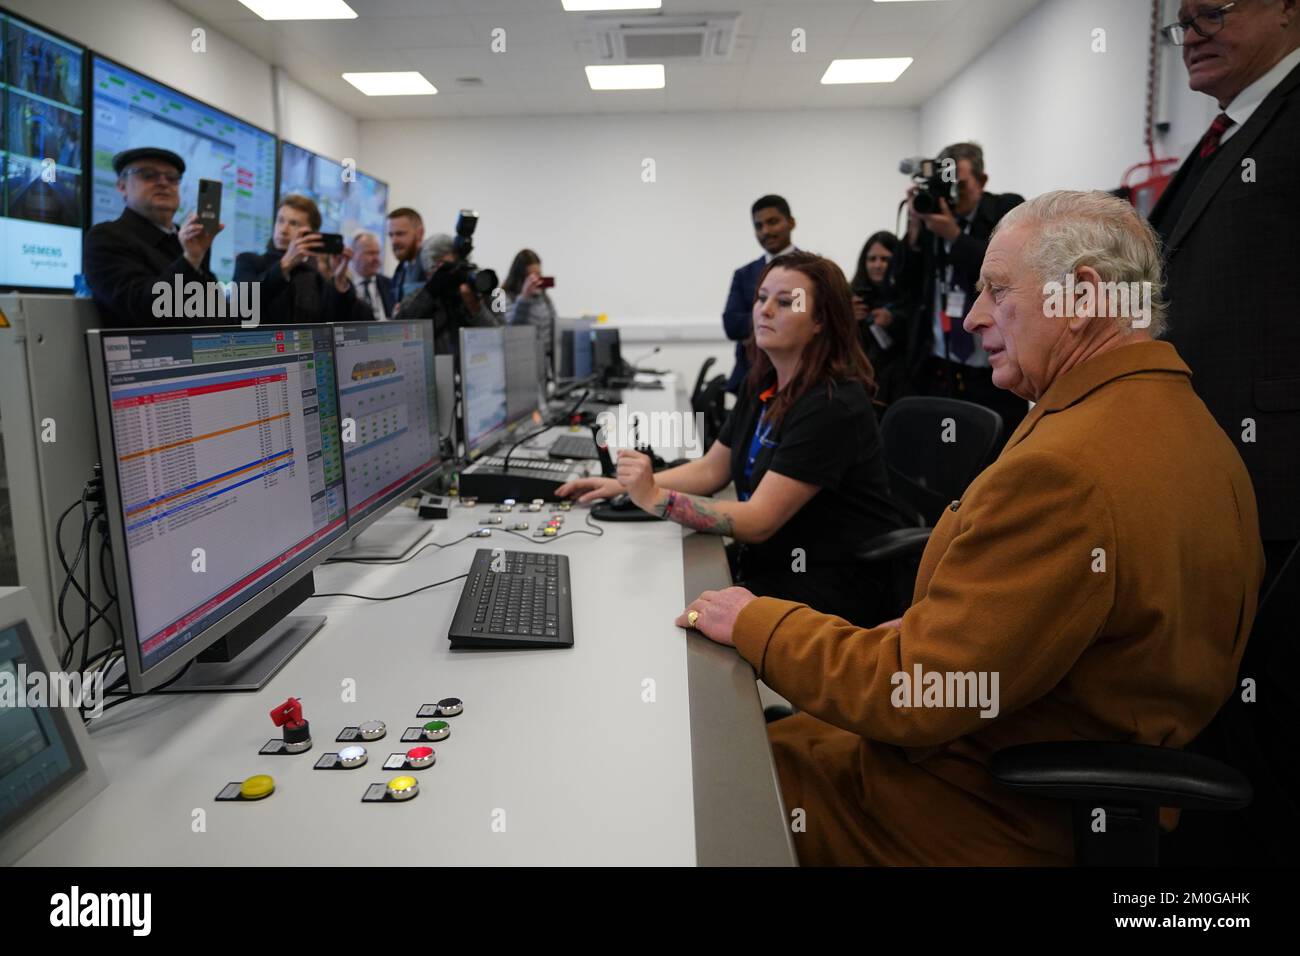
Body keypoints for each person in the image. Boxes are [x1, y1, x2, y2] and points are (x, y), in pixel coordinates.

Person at [677, 192, 1264, 866]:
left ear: (1084, 298)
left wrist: (758, 623)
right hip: (1035, 755)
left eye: (996, 291)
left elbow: (916, 692)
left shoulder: (1065, 470)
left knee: (712, 788)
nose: (975, 317)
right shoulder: (1184, 424)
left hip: (985, 810)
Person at [1148, 0, 1300, 866]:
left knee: (1271, 730)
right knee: (1229, 724)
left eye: (1213, 8)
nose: (1193, 31)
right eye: (1181, 20)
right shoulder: (1225, 137)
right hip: (1216, 482)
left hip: (1278, 488)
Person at [560, 252, 903, 625]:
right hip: (772, 559)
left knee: (657, 611)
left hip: (828, 580)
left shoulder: (832, 406)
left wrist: (657, 498)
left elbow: (758, 521)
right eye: (761, 298)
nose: (764, 310)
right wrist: (619, 485)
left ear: (821, 320)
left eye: (785, 302)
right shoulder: (765, 385)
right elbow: (711, 470)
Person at [896, 142, 1027, 447]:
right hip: (941, 370)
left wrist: (954, 237)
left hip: (993, 372)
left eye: (961, 185)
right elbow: (902, 285)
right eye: (947, 185)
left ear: (982, 181)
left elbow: (1010, 272)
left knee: (997, 453)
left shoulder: (1007, 212)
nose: (952, 195)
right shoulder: (930, 220)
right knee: (948, 454)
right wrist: (915, 233)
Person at [83, 147, 221, 328]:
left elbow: (215, 314)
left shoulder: (188, 239)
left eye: (172, 178)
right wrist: (190, 260)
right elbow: (144, 309)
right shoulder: (106, 237)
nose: (163, 182)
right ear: (122, 186)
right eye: (148, 175)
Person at [232, 194, 370, 325]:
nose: (283, 229)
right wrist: (285, 265)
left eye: (293, 223)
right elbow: (242, 304)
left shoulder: (314, 277)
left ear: (312, 235)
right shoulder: (249, 261)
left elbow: (339, 319)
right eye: (280, 220)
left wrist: (339, 280)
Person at [722, 195, 797, 393]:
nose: (766, 231)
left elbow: (801, 316)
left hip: (797, 376)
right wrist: (780, 317)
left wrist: (755, 328)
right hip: (750, 378)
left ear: (791, 222)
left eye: (773, 222)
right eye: (759, 226)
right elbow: (731, 324)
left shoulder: (809, 271)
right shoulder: (744, 274)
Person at [395, 233, 500, 354]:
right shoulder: (418, 296)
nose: (453, 275)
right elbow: (398, 333)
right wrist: (431, 292)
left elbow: (498, 339)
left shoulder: (481, 293)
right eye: (447, 269)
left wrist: (475, 307)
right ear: (430, 271)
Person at [849, 231, 907, 407]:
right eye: (872, 259)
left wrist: (894, 322)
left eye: (885, 259)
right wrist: (848, 319)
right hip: (858, 383)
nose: (877, 265)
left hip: (899, 385)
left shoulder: (908, 297)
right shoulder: (852, 296)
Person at [502, 248, 557, 378]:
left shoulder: (544, 298)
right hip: (519, 366)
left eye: (539, 274)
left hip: (543, 366)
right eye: (532, 276)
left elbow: (554, 328)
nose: (536, 280)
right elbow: (511, 331)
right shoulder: (505, 297)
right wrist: (524, 297)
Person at [387, 207, 426, 307]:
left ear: (419, 233)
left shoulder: (433, 267)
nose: (394, 241)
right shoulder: (399, 271)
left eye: (400, 234)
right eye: (391, 235)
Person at [351, 230, 394, 320]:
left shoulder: (390, 284)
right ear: (353, 254)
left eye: (378, 253)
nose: (377, 259)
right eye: (370, 253)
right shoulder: (344, 287)